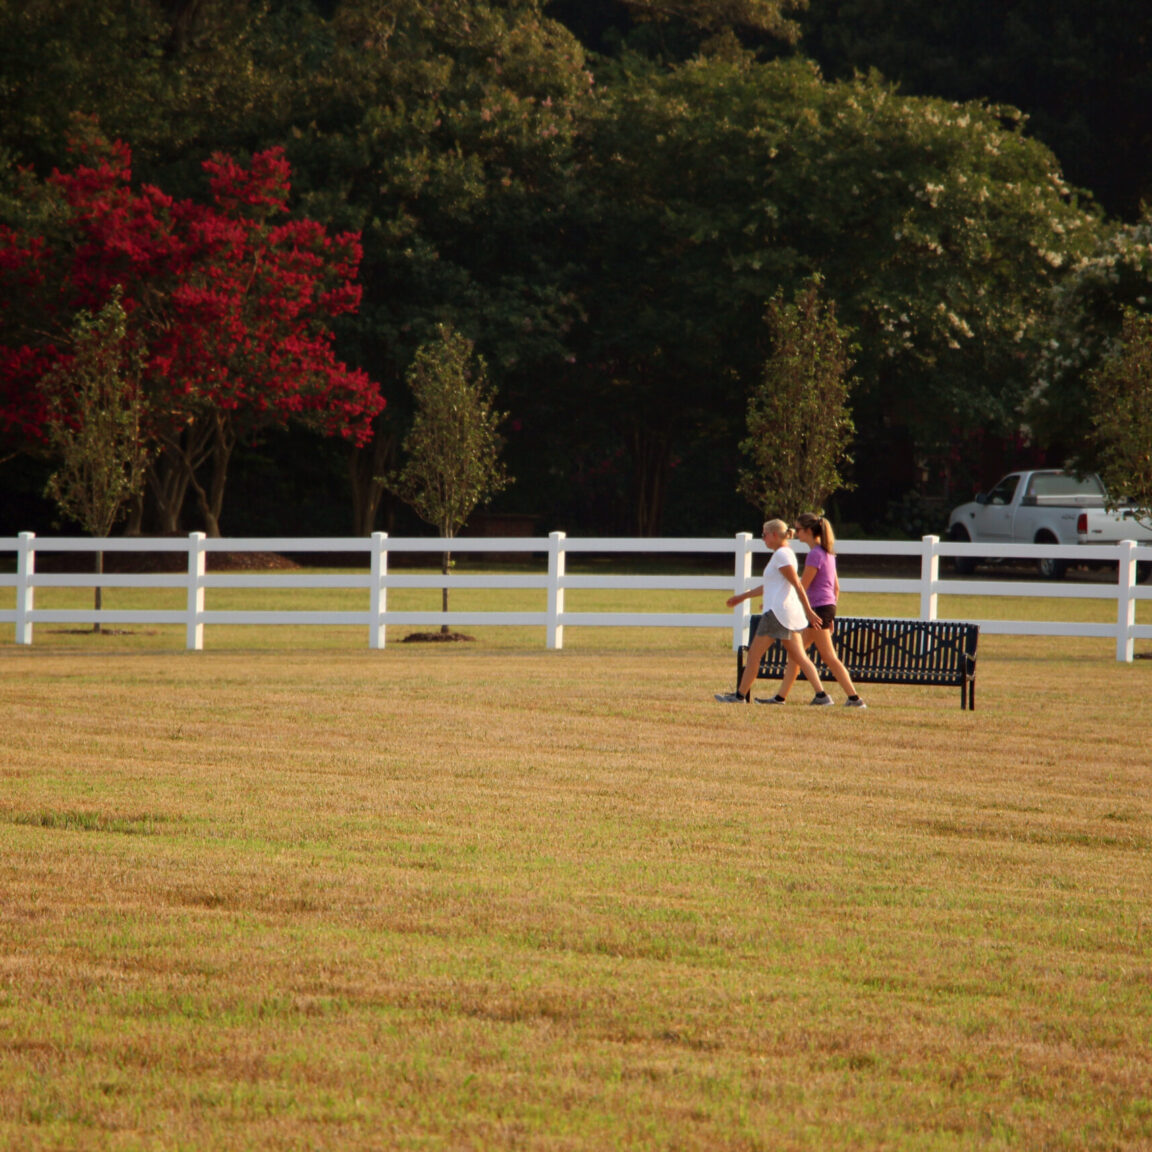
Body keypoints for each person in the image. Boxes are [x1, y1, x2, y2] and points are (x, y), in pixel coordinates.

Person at [715, 519, 829, 704]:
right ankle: (822, 695)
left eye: (764, 534)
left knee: (754, 655)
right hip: (785, 613)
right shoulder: (785, 554)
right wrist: (742, 597)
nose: (763, 539)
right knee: (799, 656)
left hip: (776, 614)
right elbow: (770, 585)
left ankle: (739, 696)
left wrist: (808, 610)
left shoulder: (782, 556)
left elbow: (797, 584)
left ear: (775, 535)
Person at [761, 512, 867, 708]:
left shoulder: (814, 555)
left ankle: (854, 698)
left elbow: (803, 584)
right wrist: (831, 613)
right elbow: (836, 588)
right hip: (825, 608)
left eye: (799, 530)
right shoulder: (828, 553)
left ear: (809, 531)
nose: (796, 533)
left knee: (828, 656)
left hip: (816, 610)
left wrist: (777, 601)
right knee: (797, 654)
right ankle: (781, 698)